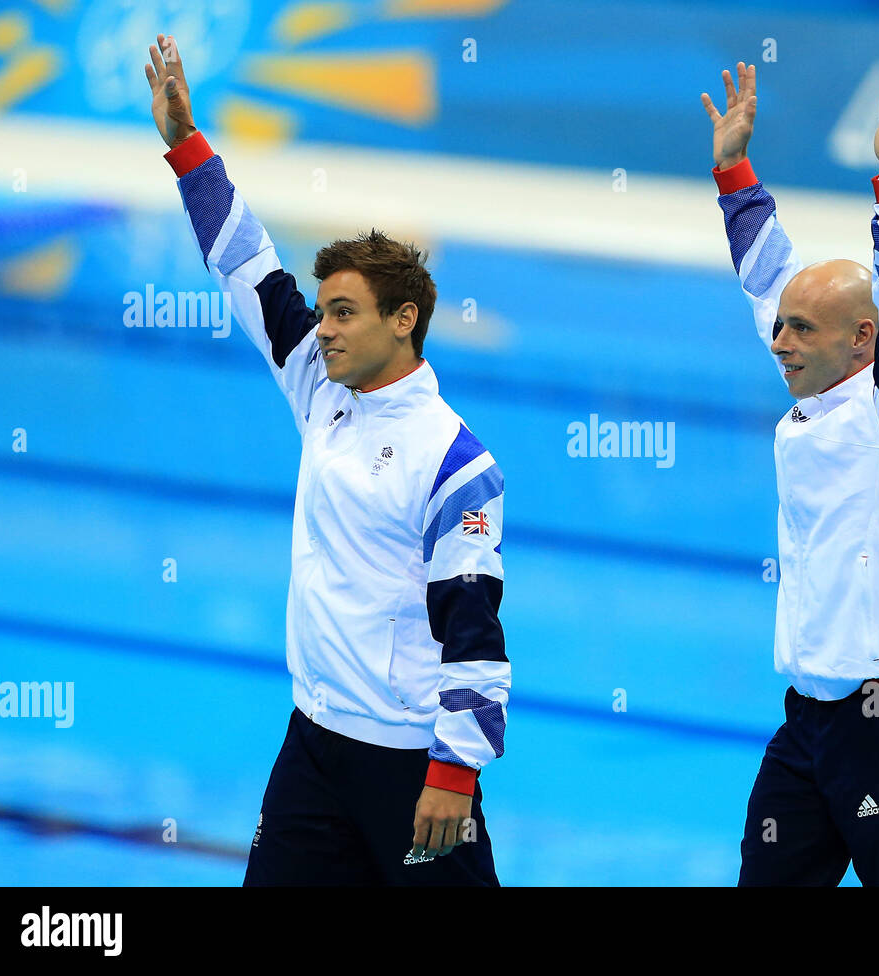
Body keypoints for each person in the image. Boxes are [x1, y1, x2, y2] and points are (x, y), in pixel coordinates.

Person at [146, 33, 509, 885]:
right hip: (312, 745)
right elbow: (245, 264)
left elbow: (475, 629)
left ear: (405, 319)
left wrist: (455, 774)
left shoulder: (453, 459)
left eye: (345, 312)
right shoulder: (321, 381)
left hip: (411, 762)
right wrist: (185, 146)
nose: (325, 328)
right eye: (325, 311)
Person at [701, 63, 879, 885]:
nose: (779, 342)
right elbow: (767, 278)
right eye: (781, 329)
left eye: (801, 331)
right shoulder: (817, 372)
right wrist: (734, 172)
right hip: (810, 715)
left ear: (862, 340)